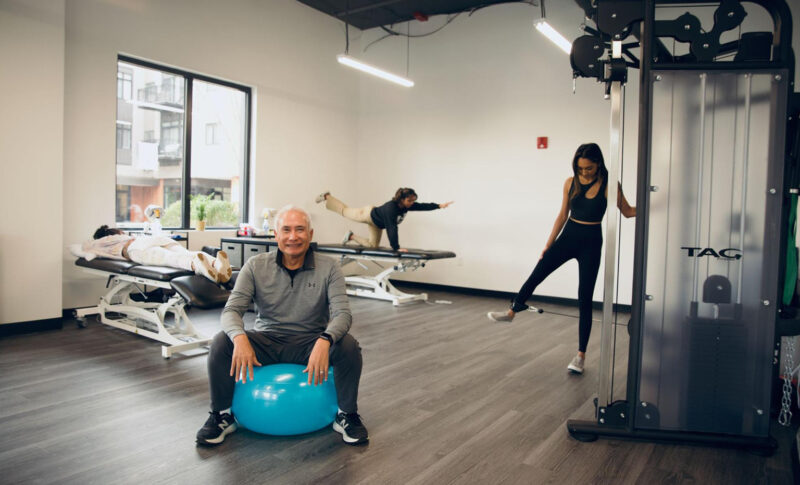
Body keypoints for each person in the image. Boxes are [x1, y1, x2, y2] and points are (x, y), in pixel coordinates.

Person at [196, 206, 368, 446]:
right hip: (266, 340)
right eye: (286, 230)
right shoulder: (255, 265)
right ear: (276, 235)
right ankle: (222, 415)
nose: (293, 236)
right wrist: (239, 337)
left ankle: (346, 414)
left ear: (310, 234)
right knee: (221, 342)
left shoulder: (329, 267)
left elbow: (342, 314)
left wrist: (325, 339)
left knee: (348, 345)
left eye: (300, 230)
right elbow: (231, 310)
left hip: (309, 342)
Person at [487, 143, 636, 375]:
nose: (584, 172)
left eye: (589, 168)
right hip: (568, 237)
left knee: (585, 297)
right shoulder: (570, 182)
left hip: (591, 243)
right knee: (538, 272)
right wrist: (548, 244)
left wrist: (655, 203)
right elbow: (562, 215)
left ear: (598, 164)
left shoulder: (609, 184)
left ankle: (580, 356)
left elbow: (627, 212)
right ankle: (512, 311)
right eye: (580, 168)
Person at [75, 225, 231, 283]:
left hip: (137, 248)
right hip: (152, 240)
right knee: (187, 253)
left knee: (172, 259)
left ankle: (201, 267)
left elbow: (86, 248)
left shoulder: (104, 242)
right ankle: (217, 264)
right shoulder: (118, 238)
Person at [315, 188, 454, 252]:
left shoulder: (407, 205)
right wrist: (396, 248)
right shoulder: (391, 208)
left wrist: (439, 206)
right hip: (367, 214)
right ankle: (327, 197)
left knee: (372, 246)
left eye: (413, 200)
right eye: (409, 200)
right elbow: (392, 228)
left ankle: (351, 236)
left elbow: (422, 206)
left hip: (376, 224)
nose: (412, 203)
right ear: (401, 199)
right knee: (345, 212)